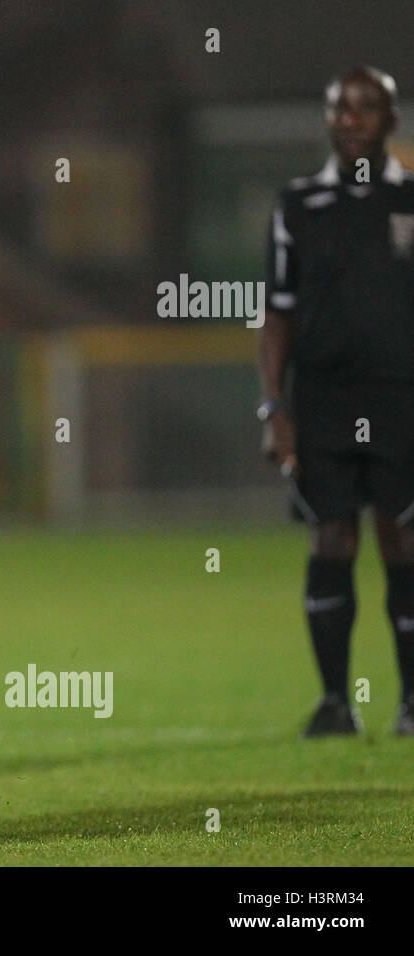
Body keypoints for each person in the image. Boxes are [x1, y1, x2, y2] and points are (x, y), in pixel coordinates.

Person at [260, 65, 414, 738]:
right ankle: (334, 703)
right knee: (332, 536)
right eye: (339, 109)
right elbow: (277, 313)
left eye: (365, 108)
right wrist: (275, 407)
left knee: (405, 538)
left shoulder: (411, 199)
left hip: (402, 397)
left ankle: (411, 704)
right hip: (321, 398)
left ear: (390, 120)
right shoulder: (297, 204)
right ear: (327, 120)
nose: (350, 120)